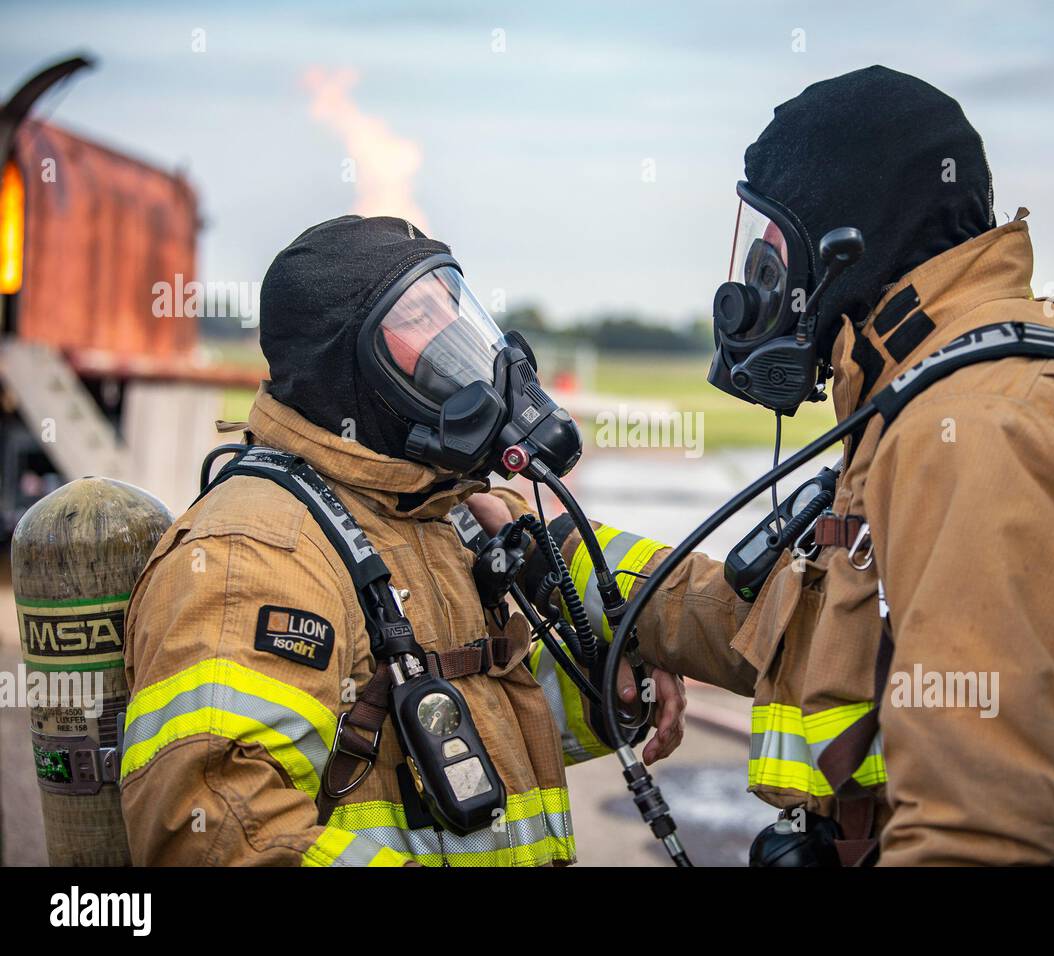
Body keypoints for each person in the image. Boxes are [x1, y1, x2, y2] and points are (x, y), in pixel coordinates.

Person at [470, 66, 1054, 866]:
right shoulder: (927, 390)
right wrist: (560, 548)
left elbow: (983, 832)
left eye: (773, 250)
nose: (756, 286)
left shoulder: (977, 425)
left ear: (847, 247)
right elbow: (788, 634)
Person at [119, 215, 685, 866]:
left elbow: (471, 716)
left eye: (454, 312)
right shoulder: (247, 555)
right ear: (348, 368)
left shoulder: (433, 515)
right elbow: (218, 839)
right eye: (417, 319)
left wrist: (610, 674)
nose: (455, 344)